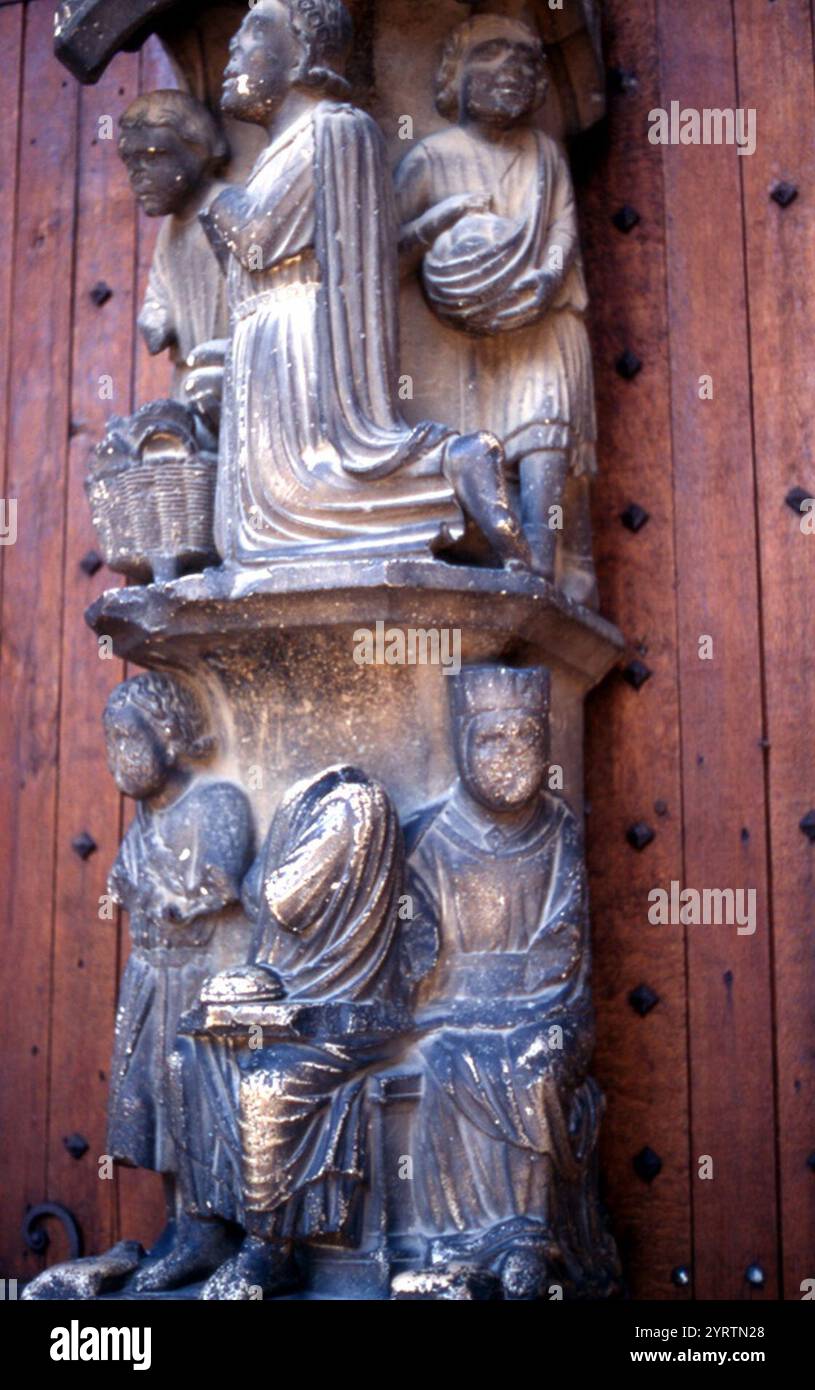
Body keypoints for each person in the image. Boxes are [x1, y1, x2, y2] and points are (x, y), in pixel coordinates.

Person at [183, 0, 529, 569]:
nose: (232, 52)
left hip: (299, 344)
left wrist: (214, 199)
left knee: (305, 493)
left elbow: (258, 241)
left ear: (302, 55)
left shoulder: (333, 129)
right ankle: (445, 484)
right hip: (264, 341)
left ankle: (450, 466)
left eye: (251, 35)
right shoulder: (281, 150)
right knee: (252, 533)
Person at [402, 665, 617, 1297]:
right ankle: (457, 1239)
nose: (511, 755)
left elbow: (562, 944)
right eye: (492, 740)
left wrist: (504, 993)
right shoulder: (427, 838)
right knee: (446, 1062)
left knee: (534, 1062)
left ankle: (526, 1236)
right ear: (463, 743)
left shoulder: (557, 832)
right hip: (447, 1018)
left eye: (527, 738)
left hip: (547, 1013)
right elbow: (415, 956)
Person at [169, 765, 410, 1300]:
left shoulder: (352, 805)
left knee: (267, 1083)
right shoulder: (311, 799)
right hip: (297, 999)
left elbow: (283, 899)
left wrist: (289, 826)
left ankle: (270, 1248)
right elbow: (259, 896)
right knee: (189, 1058)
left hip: (349, 1011)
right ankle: (205, 1229)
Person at [395, 15, 598, 604]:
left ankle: (544, 559)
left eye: (526, 63)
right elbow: (384, 261)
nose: (512, 73)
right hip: (455, 335)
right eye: (491, 58)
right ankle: (493, 549)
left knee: (546, 427)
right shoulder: (433, 157)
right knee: (476, 447)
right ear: (454, 74)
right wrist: (443, 218)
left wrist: (549, 275)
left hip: (544, 315)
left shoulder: (544, 153)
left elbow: (562, 226)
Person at [102, 672, 254, 1293]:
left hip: (201, 975)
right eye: (110, 743)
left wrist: (175, 899)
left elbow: (219, 888)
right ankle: (181, 1223)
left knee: (196, 1095)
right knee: (154, 1104)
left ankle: (210, 1227)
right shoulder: (140, 823)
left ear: (168, 736)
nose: (121, 757)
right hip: (149, 976)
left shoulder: (217, 805)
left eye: (131, 740)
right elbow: (127, 886)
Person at [118, 90, 231, 403]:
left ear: (198, 149)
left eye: (154, 156)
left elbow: (258, 280)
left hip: (230, 368)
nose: (139, 176)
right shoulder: (169, 231)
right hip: (187, 377)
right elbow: (160, 296)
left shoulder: (228, 209)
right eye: (131, 162)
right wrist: (156, 319)